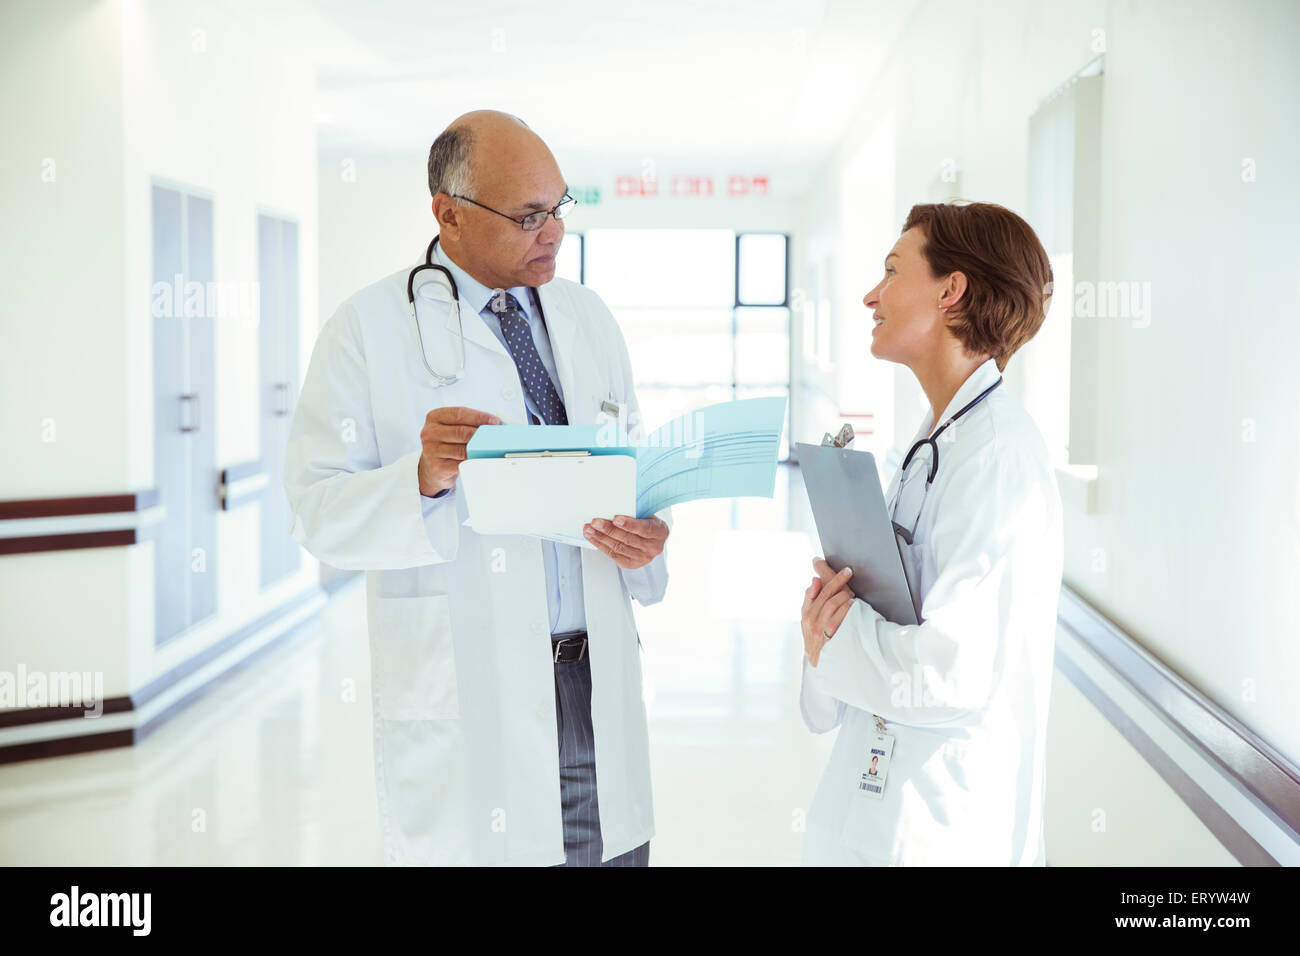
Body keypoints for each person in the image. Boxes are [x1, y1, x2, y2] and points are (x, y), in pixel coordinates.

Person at [284, 110, 670, 866]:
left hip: (594, 680)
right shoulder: (366, 329)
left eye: (560, 207)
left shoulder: (588, 318)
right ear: (448, 213)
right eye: (529, 216)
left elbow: (630, 471)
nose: (553, 232)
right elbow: (315, 514)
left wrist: (644, 539)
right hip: (470, 687)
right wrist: (420, 481)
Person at [798, 201, 1063, 866]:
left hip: (945, 826)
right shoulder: (938, 441)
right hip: (889, 799)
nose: (870, 295)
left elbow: (951, 670)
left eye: (891, 271)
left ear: (951, 290)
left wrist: (832, 633)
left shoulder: (997, 456)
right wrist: (830, 621)